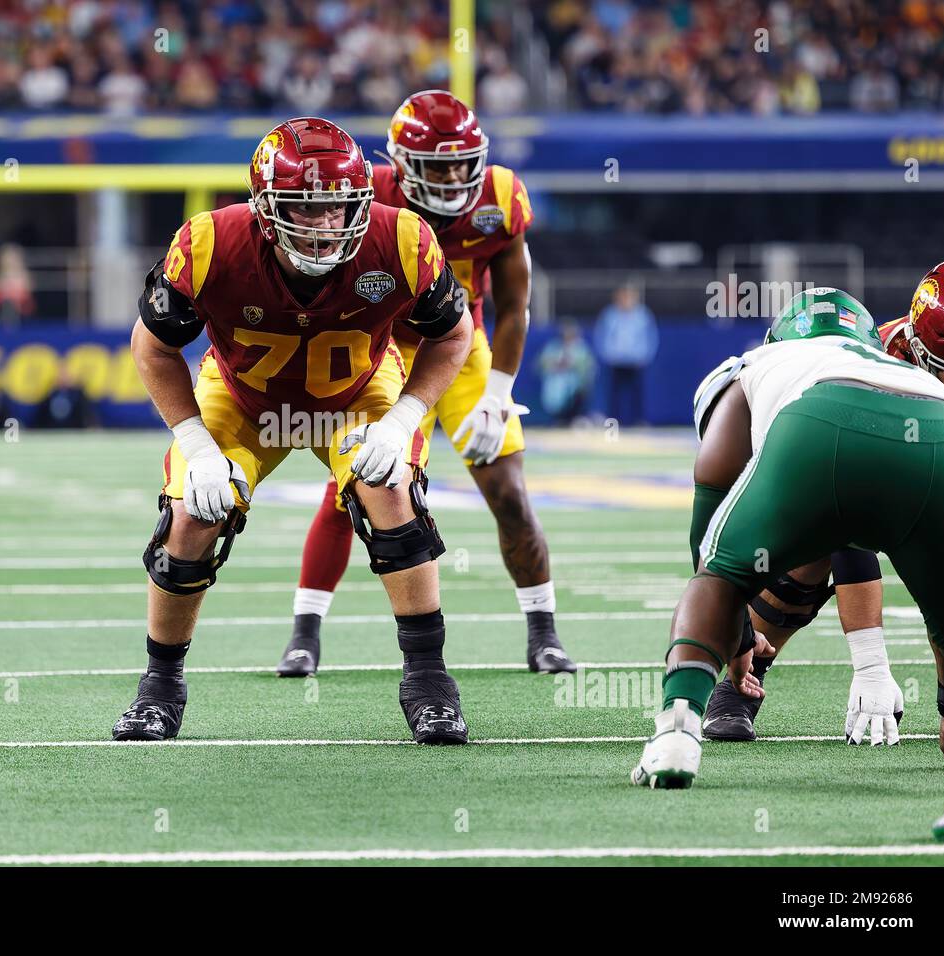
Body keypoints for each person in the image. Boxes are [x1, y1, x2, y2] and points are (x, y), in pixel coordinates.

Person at [112, 118, 475, 745]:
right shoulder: (209, 243)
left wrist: (407, 418)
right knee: (191, 517)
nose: (326, 224)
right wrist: (197, 445)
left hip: (357, 390)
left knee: (392, 495)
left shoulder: (404, 238)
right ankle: (159, 686)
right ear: (264, 208)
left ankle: (430, 683)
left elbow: (453, 335)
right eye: (305, 210)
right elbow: (152, 348)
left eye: (338, 208)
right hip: (245, 396)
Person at [277, 90, 577, 679]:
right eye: (437, 166)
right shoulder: (368, 195)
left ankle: (543, 629)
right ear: (401, 164)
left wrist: (498, 391)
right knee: (355, 488)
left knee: (510, 494)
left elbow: (515, 307)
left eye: (462, 163)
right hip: (385, 349)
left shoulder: (500, 198)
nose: (452, 177)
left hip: (463, 351)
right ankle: (305, 631)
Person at [632, 287, 944, 788]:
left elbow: (712, 523)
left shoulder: (756, 363)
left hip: (818, 416)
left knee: (719, 574)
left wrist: (737, 635)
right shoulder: (898, 362)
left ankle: (677, 733)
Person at [594, 283, 658, 425]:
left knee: (636, 392)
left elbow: (650, 337)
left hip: (635, 359)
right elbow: (601, 335)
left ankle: (638, 420)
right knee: (613, 393)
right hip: (615, 360)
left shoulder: (642, 315)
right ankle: (612, 420)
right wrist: (606, 354)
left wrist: (646, 355)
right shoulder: (610, 315)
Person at [537, 320, 595, 425]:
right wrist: (555, 364)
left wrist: (572, 365)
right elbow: (540, 364)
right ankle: (558, 418)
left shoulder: (581, 349)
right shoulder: (553, 347)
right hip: (555, 383)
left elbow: (588, 368)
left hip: (575, 385)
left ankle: (572, 418)